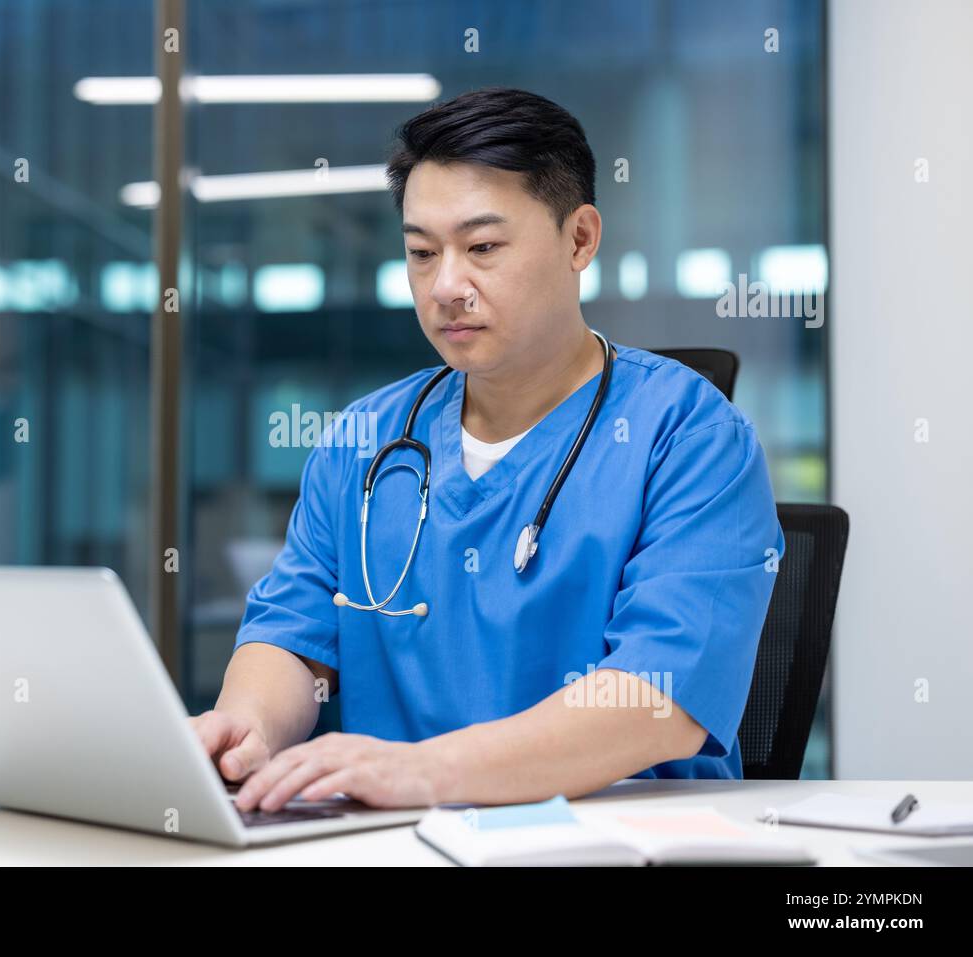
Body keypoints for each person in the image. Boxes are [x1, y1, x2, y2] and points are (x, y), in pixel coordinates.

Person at [190, 87, 784, 813]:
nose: (444, 286)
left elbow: (655, 697)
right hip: (393, 845)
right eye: (419, 252)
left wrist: (427, 772)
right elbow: (290, 638)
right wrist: (245, 727)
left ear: (580, 240)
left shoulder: (691, 437)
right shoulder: (363, 441)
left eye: (482, 248)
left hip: (621, 845)